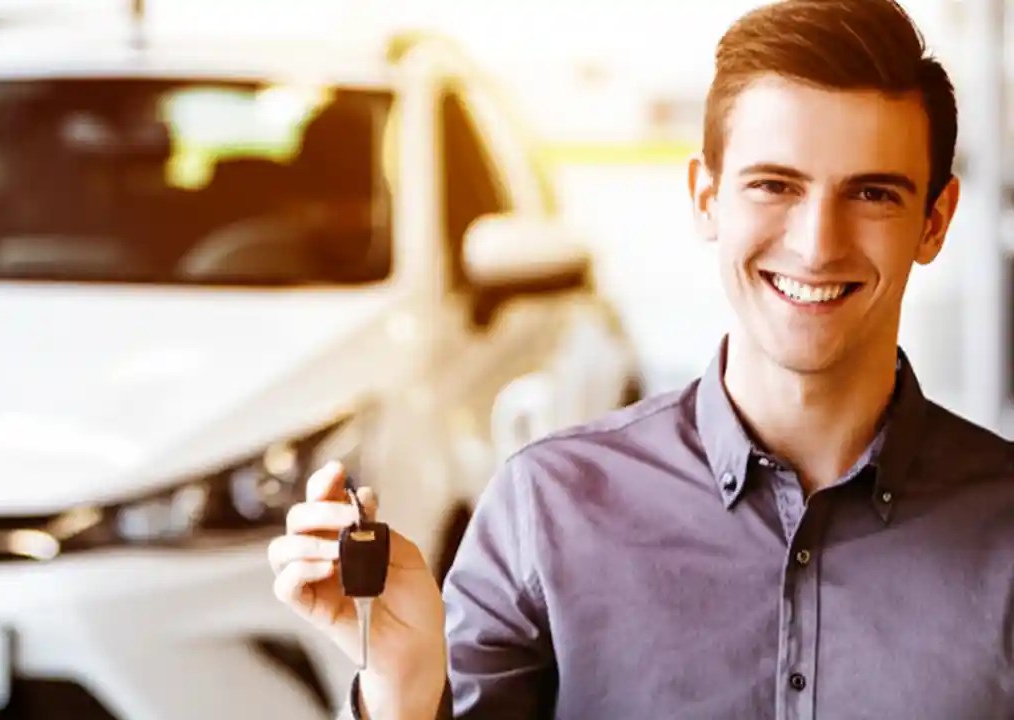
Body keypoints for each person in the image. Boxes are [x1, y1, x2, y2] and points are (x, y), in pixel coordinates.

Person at [268, 0, 1014, 717]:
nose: (818, 243)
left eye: (873, 194)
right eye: (775, 185)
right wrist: (402, 694)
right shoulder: (546, 512)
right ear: (706, 199)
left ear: (934, 222)